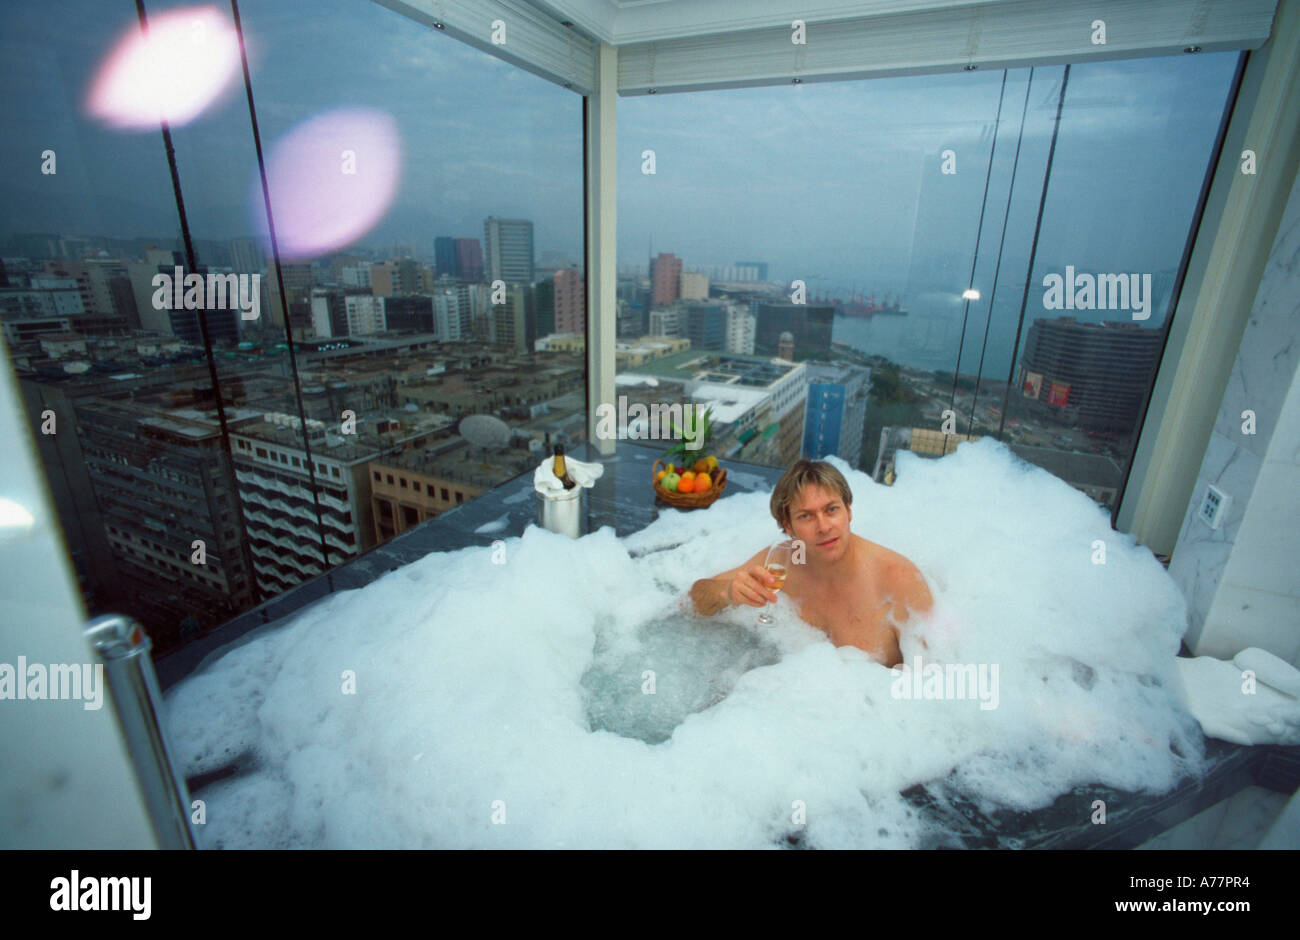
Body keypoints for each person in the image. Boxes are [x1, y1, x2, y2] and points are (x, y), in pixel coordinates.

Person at [688, 459, 932, 667]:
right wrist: (727, 592)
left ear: (848, 511)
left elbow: (934, 689)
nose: (824, 527)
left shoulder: (899, 581)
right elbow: (695, 600)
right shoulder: (783, 561)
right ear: (788, 526)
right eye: (806, 516)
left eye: (831, 510)